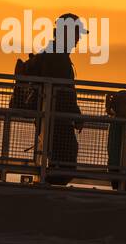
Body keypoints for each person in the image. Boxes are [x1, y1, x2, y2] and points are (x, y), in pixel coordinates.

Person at [25, 13, 85, 185]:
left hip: (48, 118)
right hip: (57, 120)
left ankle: (45, 187)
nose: (78, 39)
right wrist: (76, 115)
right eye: (76, 33)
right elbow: (63, 92)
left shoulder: (50, 53)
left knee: (56, 161)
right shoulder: (58, 58)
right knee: (65, 162)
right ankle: (47, 191)